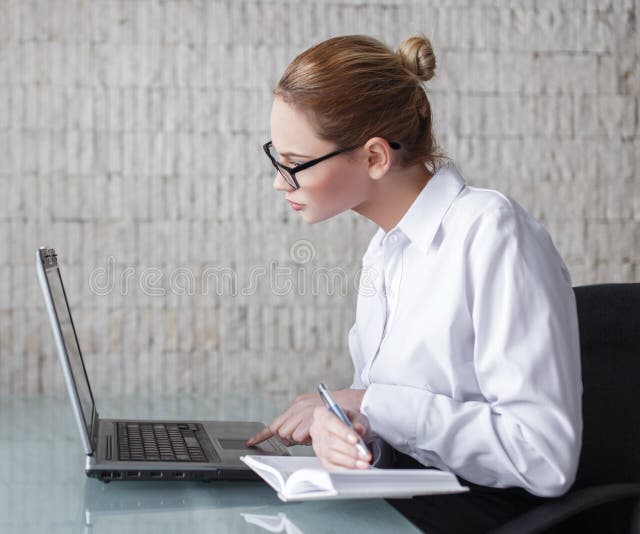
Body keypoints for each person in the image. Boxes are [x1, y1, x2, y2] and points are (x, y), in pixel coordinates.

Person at [245, 34, 583, 534]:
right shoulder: (385, 252)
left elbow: (543, 457)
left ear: (376, 157)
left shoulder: (492, 232)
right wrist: (355, 432)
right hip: (407, 501)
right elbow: (397, 429)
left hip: (486, 517)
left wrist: (373, 404)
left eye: (295, 164)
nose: (279, 181)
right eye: (279, 158)